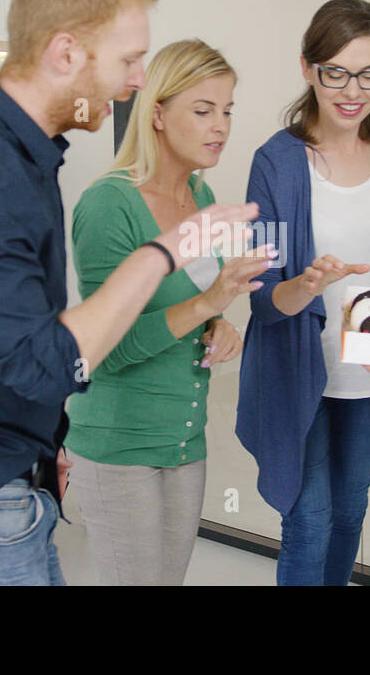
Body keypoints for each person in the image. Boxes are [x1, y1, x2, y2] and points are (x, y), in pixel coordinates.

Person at [0, 0, 259, 586]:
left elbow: (3, 340)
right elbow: (41, 358)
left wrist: (43, 446)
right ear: (67, 53)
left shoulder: (16, 153)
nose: (137, 81)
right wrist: (165, 252)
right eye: (129, 61)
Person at [65, 39, 270, 585]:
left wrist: (218, 324)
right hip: (118, 442)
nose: (220, 126)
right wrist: (209, 302)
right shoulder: (109, 205)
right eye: (203, 111)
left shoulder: (202, 199)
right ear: (157, 113)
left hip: (183, 437)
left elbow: (194, 303)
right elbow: (106, 347)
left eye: (227, 111)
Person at [238, 0, 370, 586]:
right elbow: (264, 300)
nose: (353, 90)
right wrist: (306, 283)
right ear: (307, 68)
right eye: (336, 72)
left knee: (350, 511)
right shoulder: (278, 162)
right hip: (299, 366)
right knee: (309, 518)